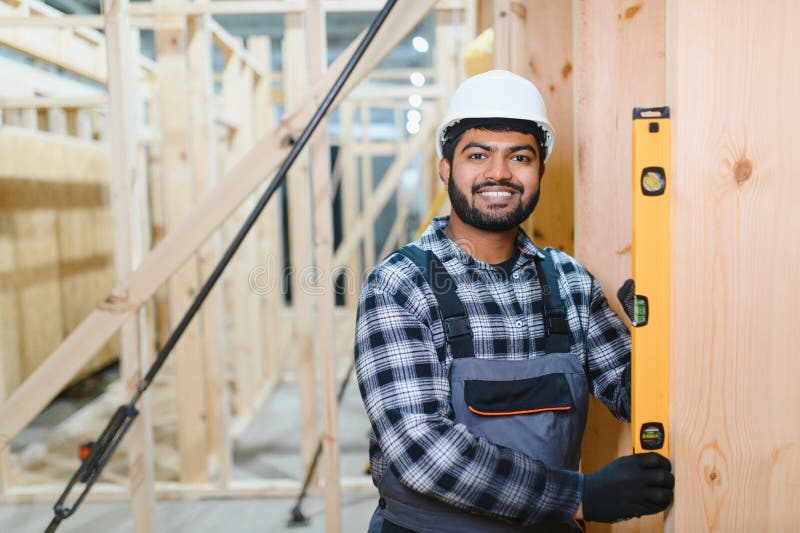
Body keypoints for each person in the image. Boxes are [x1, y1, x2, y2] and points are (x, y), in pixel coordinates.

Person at [354, 70, 674, 533]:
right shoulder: (399, 286)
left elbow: (634, 397)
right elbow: (422, 451)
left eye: (519, 156)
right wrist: (578, 498)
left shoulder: (569, 282)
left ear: (540, 170)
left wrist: (662, 333)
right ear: (446, 169)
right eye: (478, 155)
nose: (499, 173)